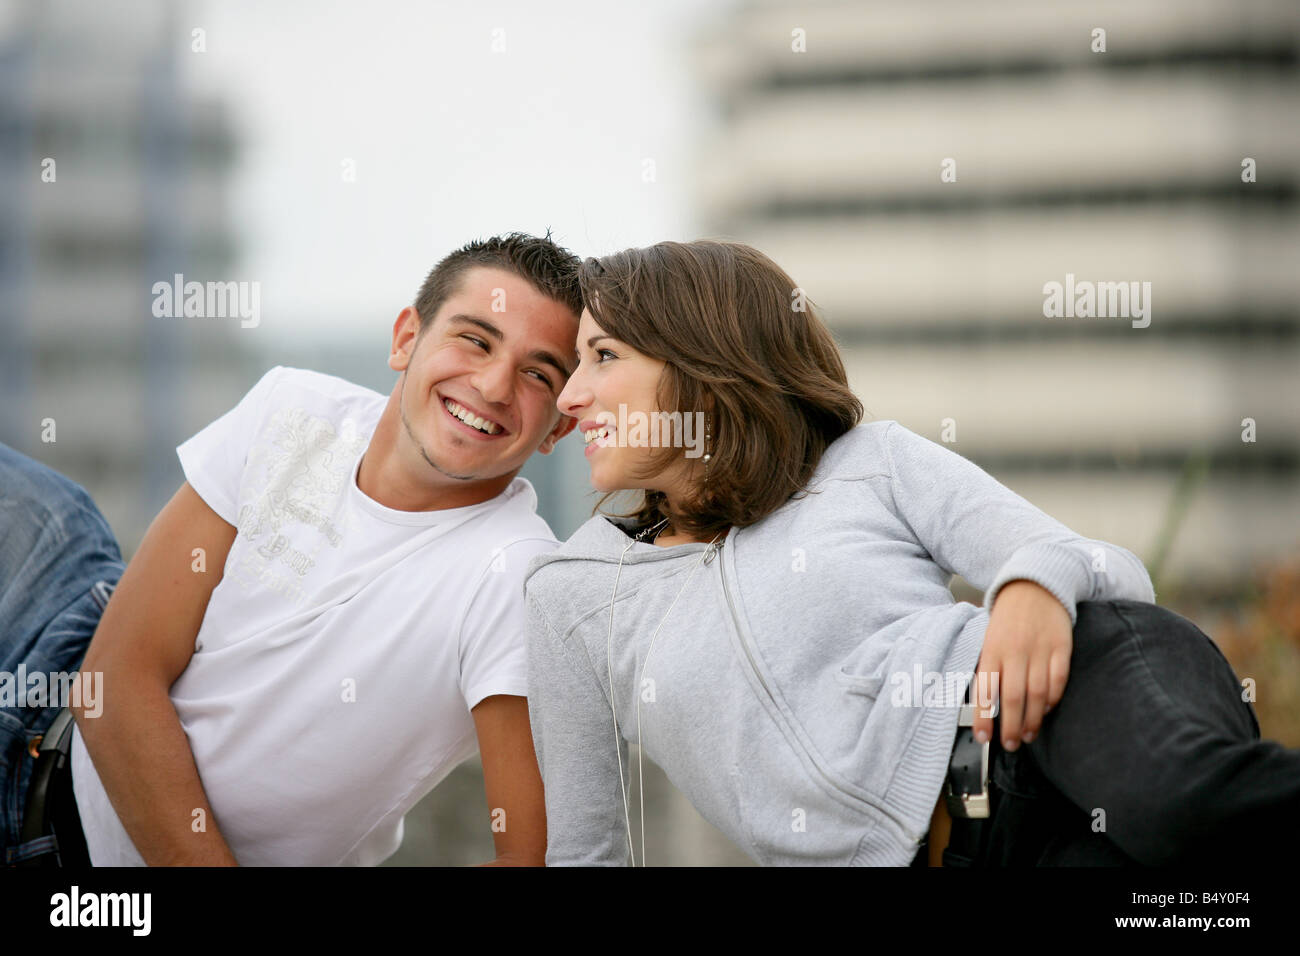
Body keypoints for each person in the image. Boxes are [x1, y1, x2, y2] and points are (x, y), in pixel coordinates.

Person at [524, 239, 1300, 867]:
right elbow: (586, 850)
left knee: (1184, 812)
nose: (570, 397)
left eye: (604, 356)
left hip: (1063, 705)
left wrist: (1031, 587)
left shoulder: (867, 461)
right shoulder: (573, 596)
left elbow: (1102, 566)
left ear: (700, 359)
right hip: (965, 852)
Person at [2, 231, 581, 866]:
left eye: (537, 373)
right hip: (48, 656)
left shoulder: (516, 577)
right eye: (475, 339)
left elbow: (534, 857)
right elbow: (113, 678)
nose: (495, 385)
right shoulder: (295, 410)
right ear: (406, 339)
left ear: (560, 423)